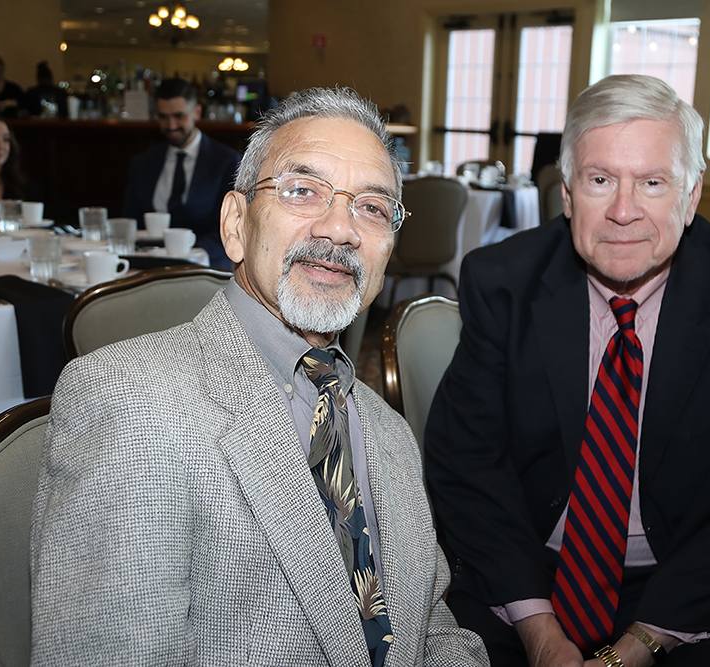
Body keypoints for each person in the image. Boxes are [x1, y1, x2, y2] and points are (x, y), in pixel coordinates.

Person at [30, 86, 489, 667]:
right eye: (302, 191)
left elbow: (434, 629)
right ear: (236, 225)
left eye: (372, 207)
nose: (340, 229)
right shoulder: (132, 403)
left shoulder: (387, 427)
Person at [425, 74, 710, 667]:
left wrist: (641, 644)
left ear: (690, 196)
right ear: (566, 194)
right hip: (523, 570)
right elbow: (468, 465)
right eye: (600, 180)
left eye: (653, 183)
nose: (623, 212)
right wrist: (538, 628)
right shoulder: (500, 282)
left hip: (680, 583)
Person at [122, 77, 241, 269]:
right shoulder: (142, 163)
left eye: (179, 116)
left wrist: (192, 259)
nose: (171, 125)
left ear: (197, 112)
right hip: (147, 264)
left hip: (202, 264)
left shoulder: (226, 161)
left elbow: (232, 228)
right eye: (163, 117)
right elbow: (130, 221)